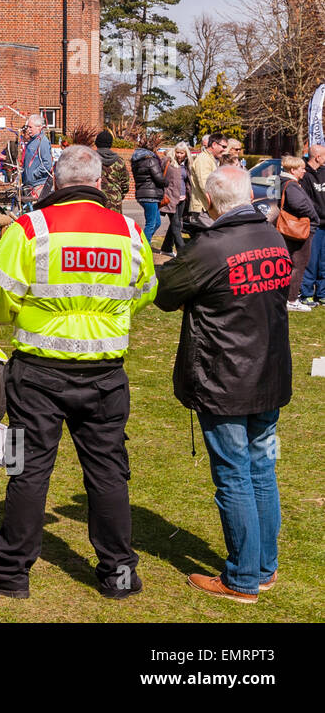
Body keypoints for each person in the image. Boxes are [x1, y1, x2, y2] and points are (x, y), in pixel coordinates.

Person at [0, 144, 156, 599]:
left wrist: (18, 315)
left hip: (39, 370)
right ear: (97, 183)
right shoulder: (129, 231)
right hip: (105, 372)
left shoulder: (32, 228)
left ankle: (11, 573)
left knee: (29, 471)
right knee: (108, 473)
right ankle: (118, 574)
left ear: (55, 180)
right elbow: (146, 290)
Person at [154, 165, 291, 603]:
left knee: (235, 476)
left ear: (209, 201)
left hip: (226, 378)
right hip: (266, 372)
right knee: (260, 472)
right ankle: (263, 568)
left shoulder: (211, 248)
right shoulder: (272, 237)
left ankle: (243, 578)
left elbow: (165, 292)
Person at [277, 155, 318, 311]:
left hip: (290, 230)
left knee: (292, 264)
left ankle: (287, 297)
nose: (304, 171)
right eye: (301, 168)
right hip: (299, 230)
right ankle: (292, 299)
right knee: (299, 264)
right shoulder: (291, 185)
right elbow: (298, 204)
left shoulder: (282, 181)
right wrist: (313, 215)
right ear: (293, 170)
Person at [298, 144, 325, 306]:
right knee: (311, 260)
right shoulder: (304, 175)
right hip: (313, 225)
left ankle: (322, 293)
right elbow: (305, 202)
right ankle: (306, 293)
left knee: (324, 262)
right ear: (318, 157)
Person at [130, 136, 166, 247]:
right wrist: (167, 182)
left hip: (142, 194)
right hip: (150, 194)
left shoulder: (136, 161)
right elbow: (159, 179)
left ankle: (143, 240)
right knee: (151, 223)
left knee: (157, 222)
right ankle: (143, 246)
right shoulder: (151, 160)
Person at [187, 133, 228, 227]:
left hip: (208, 207)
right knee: (217, 232)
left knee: (212, 235)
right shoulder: (203, 160)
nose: (225, 150)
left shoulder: (210, 159)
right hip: (203, 208)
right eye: (223, 146)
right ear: (214, 144)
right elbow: (205, 185)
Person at [95, 130, 130, 214]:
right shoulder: (119, 161)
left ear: (96, 143)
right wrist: (119, 195)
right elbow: (125, 183)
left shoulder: (90, 159)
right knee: (115, 225)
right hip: (114, 201)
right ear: (110, 144)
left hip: (95, 200)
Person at [159, 147, 185, 257]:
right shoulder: (169, 162)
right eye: (177, 152)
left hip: (183, 198)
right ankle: (183, 252)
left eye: (181, 153)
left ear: (186, 154)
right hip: (171, 198)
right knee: (176, 224)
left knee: (176, 223)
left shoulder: (186, 164)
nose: (179, 155)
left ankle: (166, 248)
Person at [21, 114, 52, 199]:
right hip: (30, 185)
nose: (28, 130)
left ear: (39, 127)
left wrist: (34, 174)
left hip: (38, 186)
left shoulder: (43, 141)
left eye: (30, 127)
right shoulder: (32, 141)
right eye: (28, 127)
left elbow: (47, 164)